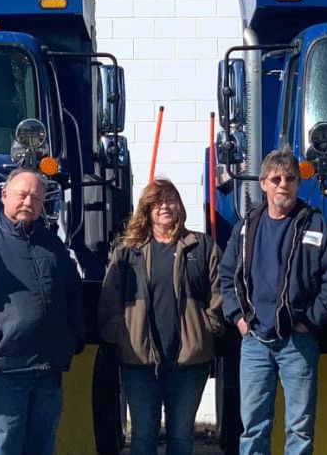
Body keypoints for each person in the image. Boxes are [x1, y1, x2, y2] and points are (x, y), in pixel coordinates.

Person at [0, 169, 85, 455]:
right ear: (4, 196)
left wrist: (73, 339)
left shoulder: (53, 245)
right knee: (2, 448)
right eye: (22, 195)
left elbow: (73, 292)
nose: (28, 202)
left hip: (48, 369)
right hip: (3, 369)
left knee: (42, 448)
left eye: (36, 197)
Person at [217, 149, 327, 455]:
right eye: (276, 178)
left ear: (298, 183)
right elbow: (228, 274)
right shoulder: (247, 226)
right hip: (255, 340)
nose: (283, 184)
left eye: (290, 178)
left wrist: (309, 321)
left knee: (300, 427)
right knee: (254, 425)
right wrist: (238, 318)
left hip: (297, 341)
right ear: (263, 184)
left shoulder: (317, 225)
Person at [98, 179, 222, 455]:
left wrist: (208, 327)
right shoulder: (128, 251)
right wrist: (118, 333)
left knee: (180, 437)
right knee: (143, 436)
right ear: (147, 209)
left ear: (179, 206)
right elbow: (109, 299)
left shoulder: (201, 246)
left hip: (189, 361)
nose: (165, 206)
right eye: (158, 201)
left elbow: (219, 292)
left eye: (171, 200)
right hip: (139, 361)